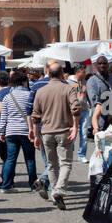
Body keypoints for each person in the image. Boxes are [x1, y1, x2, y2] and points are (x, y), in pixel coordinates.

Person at [30, 61, 77, 210]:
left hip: (46, 133)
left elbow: (35, 116)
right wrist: (75, 126)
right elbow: (76, 108)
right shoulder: (68, 89)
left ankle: (54, 194)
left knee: (51, 165)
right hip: (64, 131)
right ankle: (58, 191)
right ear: (62, 74)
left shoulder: (40, 91)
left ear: (48, 74)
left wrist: (36, 135)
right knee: (66, 164)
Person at [0, 69, 36, 192]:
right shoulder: (30, 95)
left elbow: (3, 116)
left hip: (10, 131)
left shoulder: (7, 97)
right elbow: (34, 114)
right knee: (30, 158)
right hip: (26, 131)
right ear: (24, 82)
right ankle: (33, 185)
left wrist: (1, 132)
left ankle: (6, 185)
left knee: (10, 159)